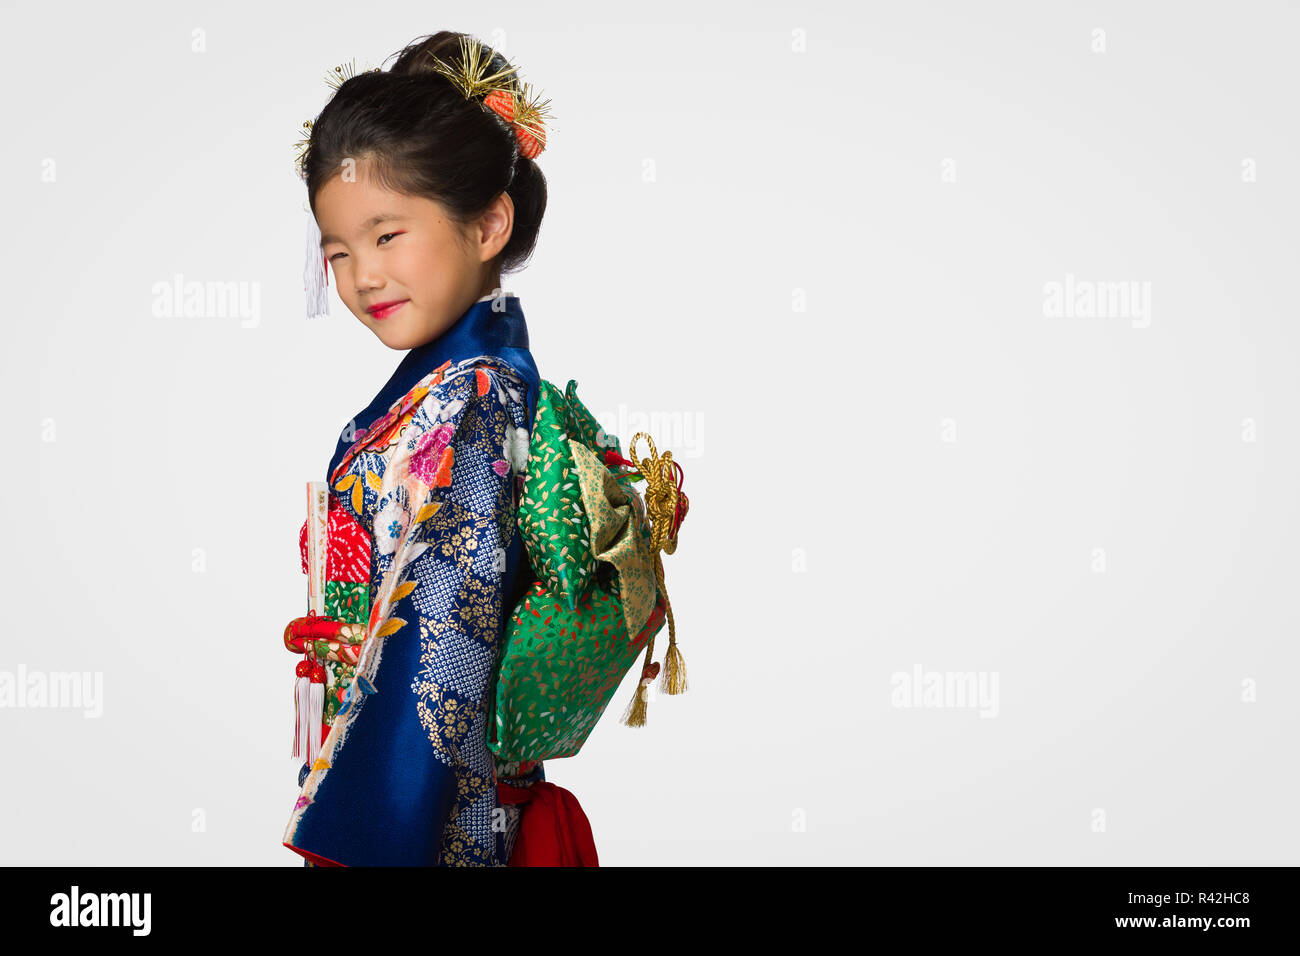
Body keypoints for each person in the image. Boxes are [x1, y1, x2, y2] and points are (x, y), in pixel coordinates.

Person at [282, 31, 562, 866]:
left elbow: (443, 633)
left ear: (486, 225)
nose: (362, 275)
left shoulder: (476, 398)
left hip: (439, 816)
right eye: (338, 251)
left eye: (387, 235)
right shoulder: (447, 389)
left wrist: (365, 828)